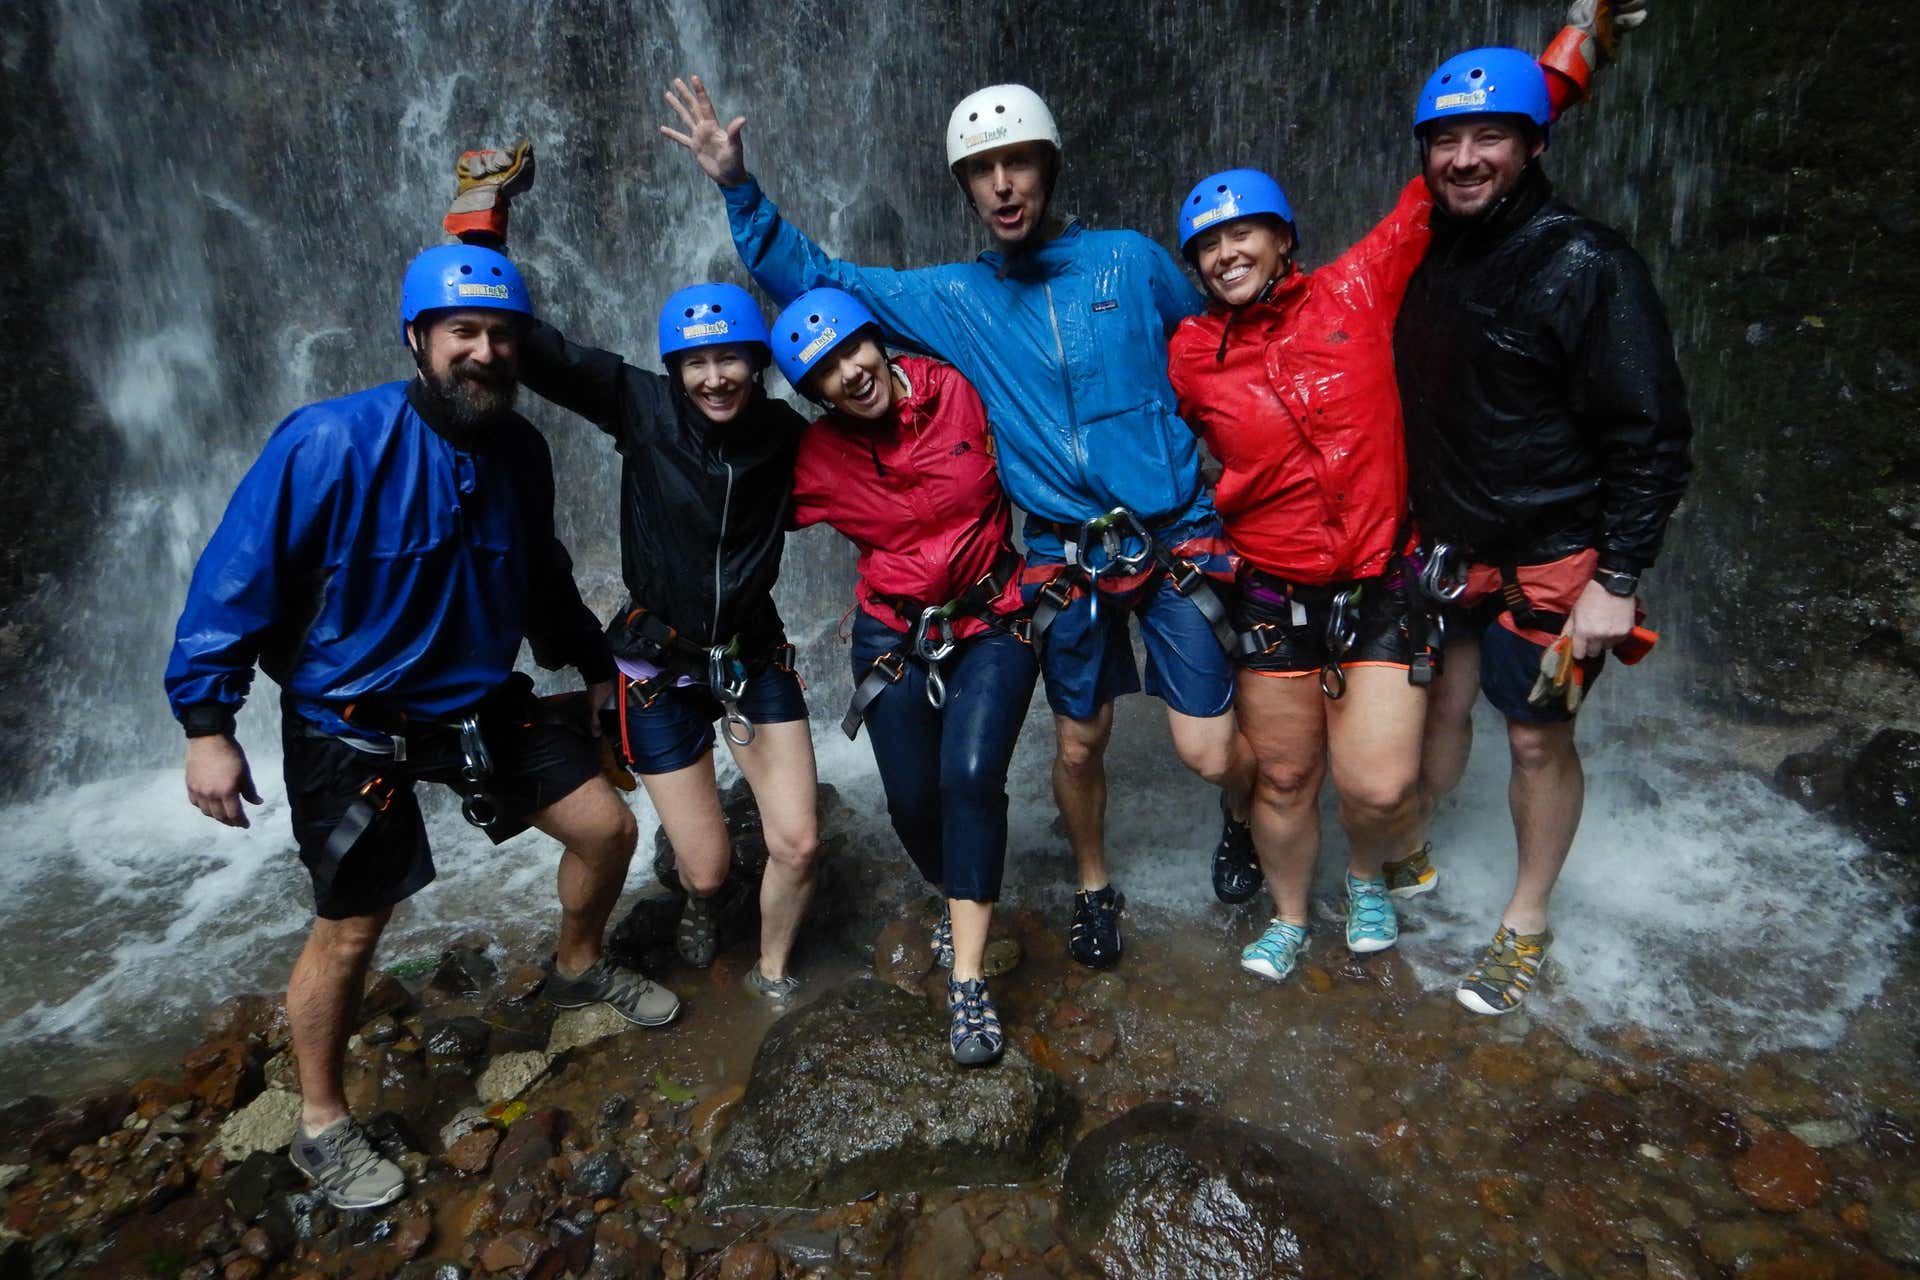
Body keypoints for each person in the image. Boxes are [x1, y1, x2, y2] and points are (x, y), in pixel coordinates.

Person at [663, 75, 1259, 970]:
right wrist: (736, 187)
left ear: (1048, 167)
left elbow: (1210, 357)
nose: (1004, 185)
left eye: (1018, 162)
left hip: (1172, 534)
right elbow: (822, 283)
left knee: (1212, 751)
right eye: (983, 171)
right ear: (968, 188)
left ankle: (1242, 818)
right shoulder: (956, 301)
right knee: (1078, 741)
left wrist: (1248, 483)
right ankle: (1096, 884)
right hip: (1065, 551)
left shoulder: (1131, 263)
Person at [164, 243, 674, 1211]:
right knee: (353, 929)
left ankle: (574, 967)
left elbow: (540, 578)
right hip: (351, 720)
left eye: (501, 335)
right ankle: (320, 1120)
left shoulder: (520, 450)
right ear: (417, 339)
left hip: (475, 704)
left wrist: (598, 666)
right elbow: (236, 575)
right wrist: (207, 722)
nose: (483, 352)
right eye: (462, 333)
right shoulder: (328, 441)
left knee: (607, 828)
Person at [1163, 4, 1628, 983]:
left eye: (1243, 232)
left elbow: (1462, 161)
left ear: (1284, 240)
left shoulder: (1359, 287)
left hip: (1380, 581)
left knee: (1376, 783)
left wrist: (1582, 40)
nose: (1225, 253)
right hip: (1272, 590)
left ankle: (1368, 872)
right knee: (1284, 777)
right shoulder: (1188, 352)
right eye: (1207, 246)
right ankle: (1291, 914)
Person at [442, 149, 821, 1000]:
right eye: (697, 362)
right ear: (674, 369)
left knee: (798, 842)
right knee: (710, 866)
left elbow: (878, 460)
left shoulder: (789, 437)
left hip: (752, 656)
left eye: (732, 359)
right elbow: (527, 346)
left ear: (758, 364)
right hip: (655, 668)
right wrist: (480, 222)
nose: (715, 376)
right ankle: (700, 896)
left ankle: (771, 975)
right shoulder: (638, 405)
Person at [1395, 27, 1691, 1016]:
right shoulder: (1429, 254)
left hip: (1556, 565)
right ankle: (1408, 856)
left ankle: (1525, 920)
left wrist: (1619, 577)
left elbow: (1651, 430)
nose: (1466, 157)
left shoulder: (1586, 264)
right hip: (1450, 554)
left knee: (1533, 741)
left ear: (1534, 146)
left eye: (1491, 136)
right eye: (1447, 140)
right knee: (1436, 717)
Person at [775, 286, 1038, 1064]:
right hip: (893, 636)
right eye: (824, 371)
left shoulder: (956, 389)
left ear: (875, 340)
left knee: (968, 778)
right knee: (912, 801)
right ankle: (961, 889)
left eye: (853, 349)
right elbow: (734, 511)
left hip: (993, 617)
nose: (850, 372)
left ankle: (967, 979)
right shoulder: (818, 457)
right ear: (814, 394)